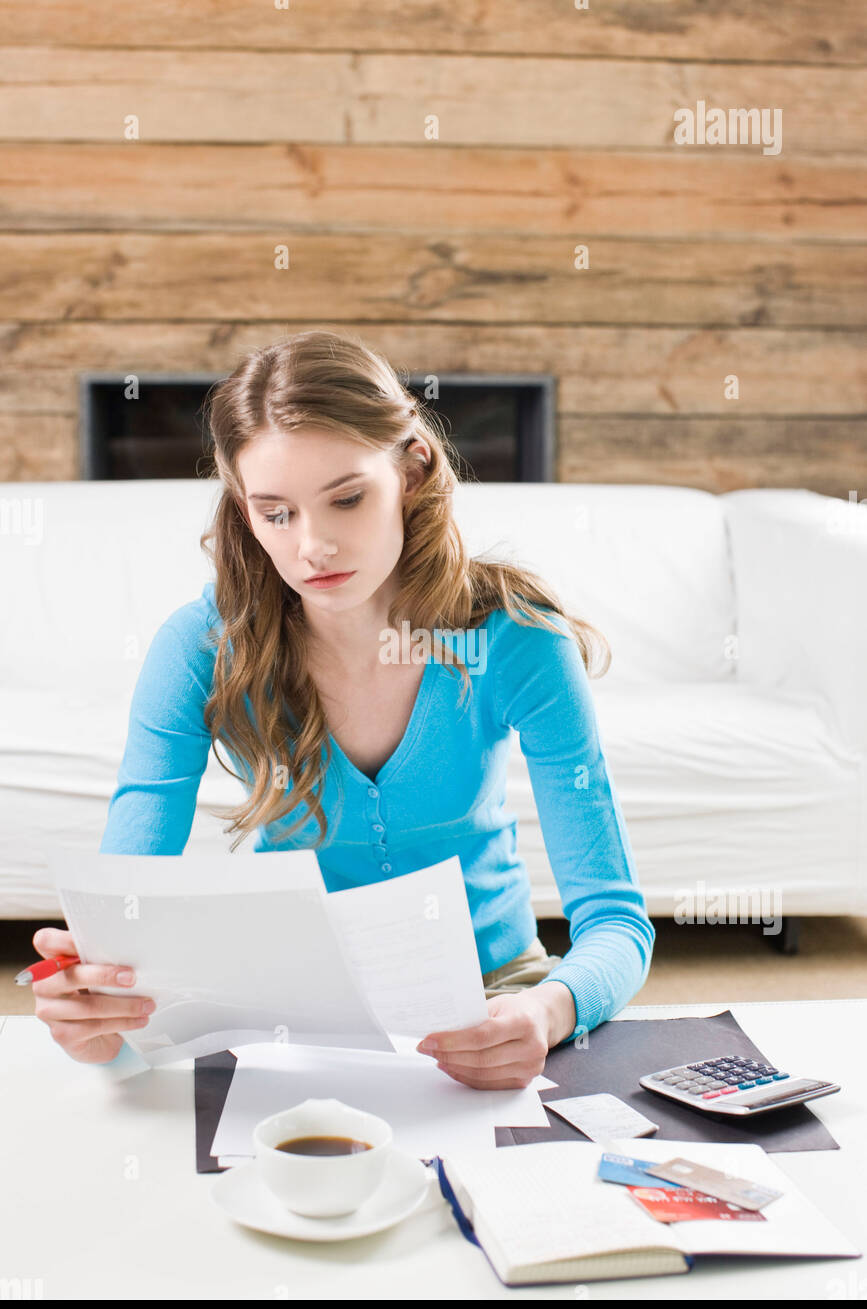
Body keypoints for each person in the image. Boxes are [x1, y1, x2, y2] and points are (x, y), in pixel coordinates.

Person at [32, 328, 655, 1085]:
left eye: (347, 498)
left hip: (491, 998)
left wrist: (548, 1012)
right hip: (286, 1007)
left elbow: (615, 922)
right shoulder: (198, 648)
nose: (313, 547)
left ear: (412, 471)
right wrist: (99, 1021)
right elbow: (121, 917)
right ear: (243, 508)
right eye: (276, 512)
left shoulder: (515, 639)